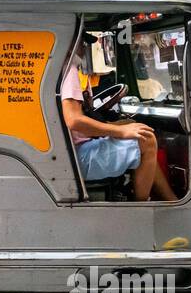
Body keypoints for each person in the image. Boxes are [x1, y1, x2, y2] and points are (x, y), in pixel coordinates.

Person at [61, 62, 175, 202]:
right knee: (146, 139)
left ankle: (170, 199)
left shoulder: (68, 69)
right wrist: (120, 131)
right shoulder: (69, 70)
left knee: (137, 128)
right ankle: (141, 207)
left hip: (74, 149)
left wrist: (120, 126)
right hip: (76, 157)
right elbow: (74, 121)